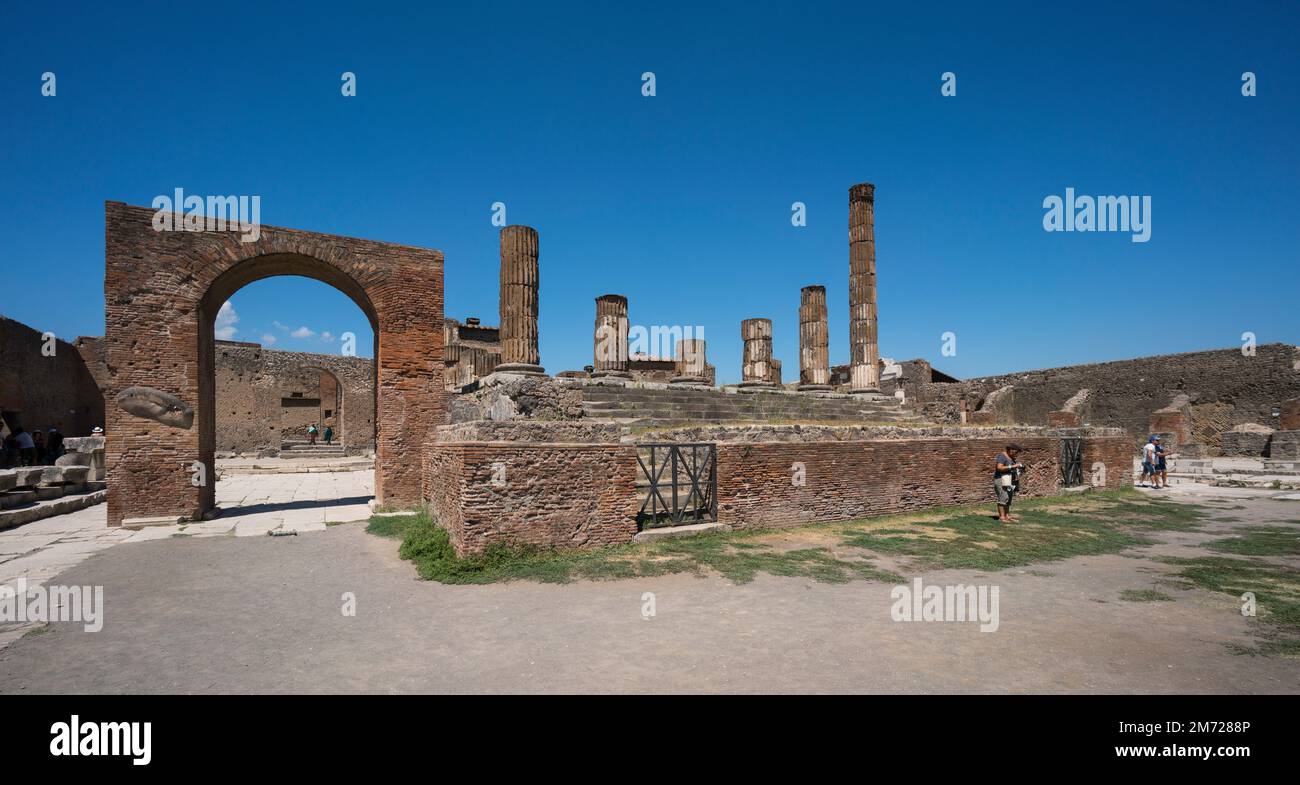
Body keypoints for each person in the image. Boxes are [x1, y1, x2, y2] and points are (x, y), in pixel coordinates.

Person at [993, 443, 1025, 523]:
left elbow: (1011, 468)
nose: (1017, 454)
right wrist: (1012, 467)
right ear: (1011, 450)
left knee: (1008, 498)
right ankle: (1002, 517)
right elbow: (999, 467)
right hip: (1001, 480)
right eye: (1016, 452)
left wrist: (1019, 468)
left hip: (1009, 481)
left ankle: (1007, 515)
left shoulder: (1011, 458)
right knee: (1003, 497)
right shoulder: (1002, 456)